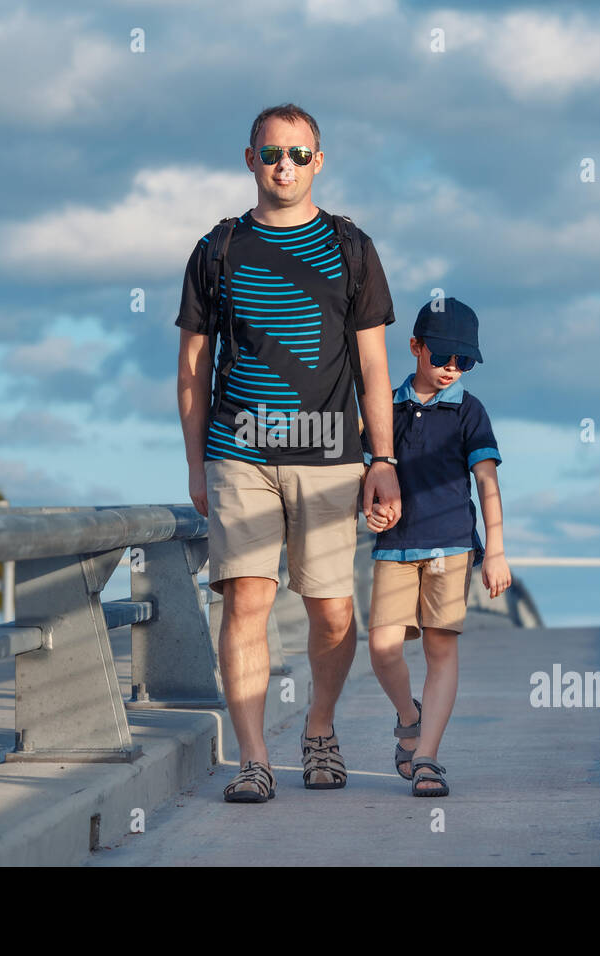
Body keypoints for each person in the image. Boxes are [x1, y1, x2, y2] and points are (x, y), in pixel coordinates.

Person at [174, 103, 401, 803]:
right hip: (238, 452)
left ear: (318, 162)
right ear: (250, 159)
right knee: (247, 598)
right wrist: (195, 465)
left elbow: (372, 368)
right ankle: (252, 758)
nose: (284, 166)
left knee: (331, 610)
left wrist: (383, 462)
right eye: (272, 153)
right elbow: (191, 368)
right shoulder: (217, 250)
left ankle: (321, 730)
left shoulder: (351, 248)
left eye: (299, 155)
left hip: (332, 456)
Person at [360, 297, 512, 797]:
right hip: (394, 545)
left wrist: (495, 551)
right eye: (442, 356)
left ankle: (426, 756)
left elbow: (487, 483)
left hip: (452, 547)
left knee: (439, 647)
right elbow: (367, 471)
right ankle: (409, 717)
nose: (451, 369)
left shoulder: (470, 411)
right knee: (383, 647)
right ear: (414, 347)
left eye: (463, 361)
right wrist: (371, 505)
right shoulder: (387, 407)